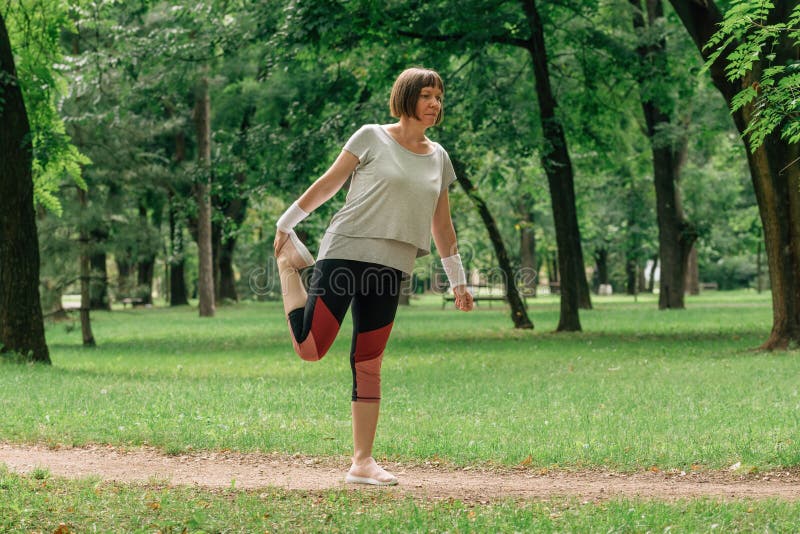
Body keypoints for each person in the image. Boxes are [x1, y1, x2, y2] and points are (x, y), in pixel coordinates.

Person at [273, 67, 473, 486]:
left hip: (392, 266)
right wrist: (286, 224)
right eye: (427, 95)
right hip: (346, 251)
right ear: (406, 97)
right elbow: (329, 184)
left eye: (439, 97)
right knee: (311, 348)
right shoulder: (371, 136)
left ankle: (362, 462)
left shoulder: (439, 157)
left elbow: (442, 225)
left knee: (369, 362)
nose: (435, 104)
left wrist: (457, 281)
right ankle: (289, 265)